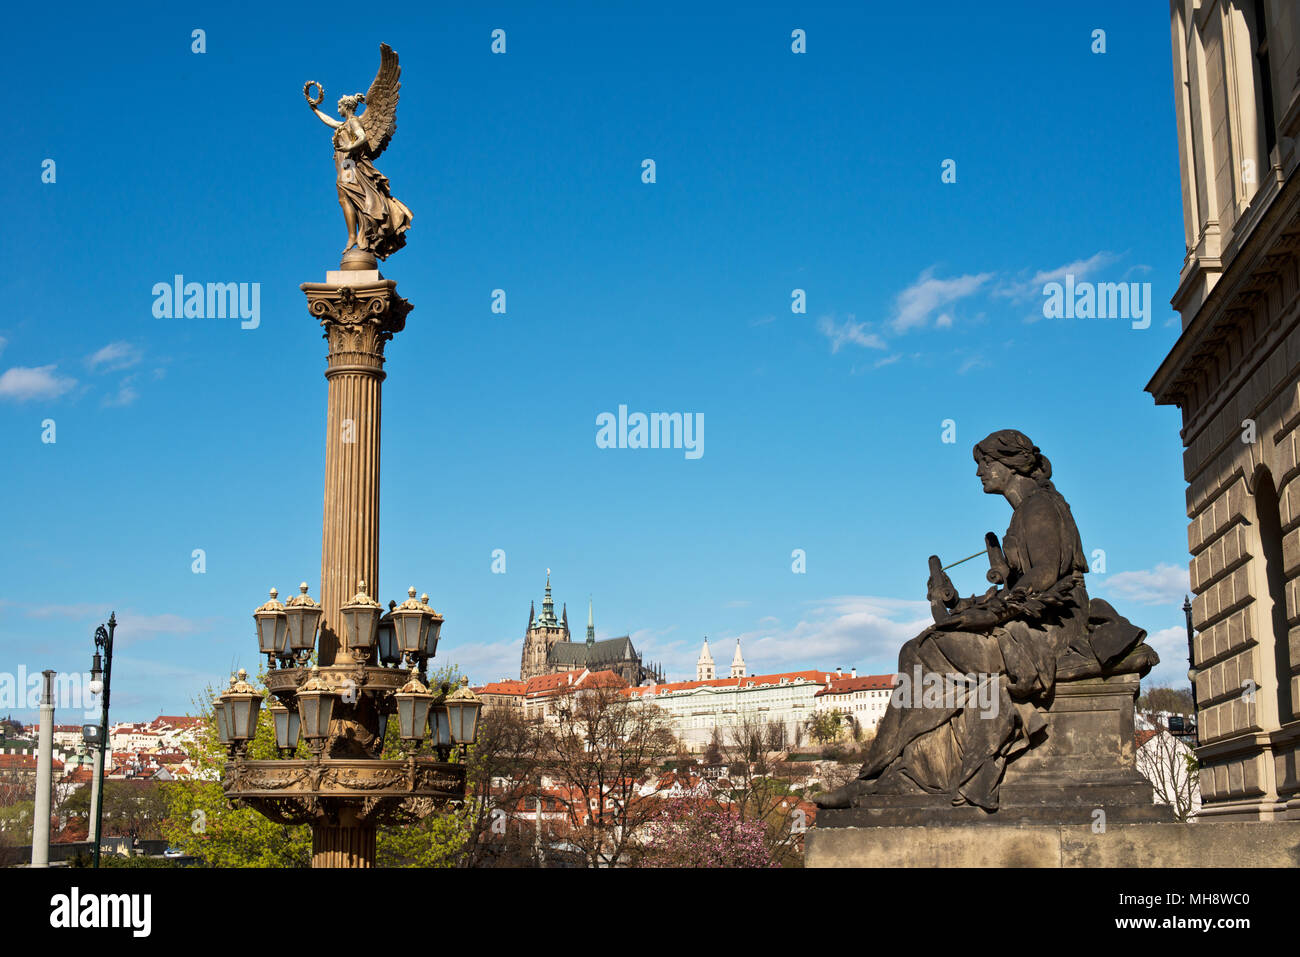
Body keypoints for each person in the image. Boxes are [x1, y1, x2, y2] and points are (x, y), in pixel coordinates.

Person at [815, 429, 1156, 810]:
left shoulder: (1039, 506)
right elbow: (1018, 586)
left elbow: (1045, 574)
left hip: (1050, 626)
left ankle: (889, 775)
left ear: (1010, 465)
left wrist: (991, 611)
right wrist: (958, 602)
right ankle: (896, 770)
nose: (980, 473)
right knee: (921, 647)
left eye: (985, 464)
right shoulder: (1025, 511)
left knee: (924, 650)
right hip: (1031, 616)